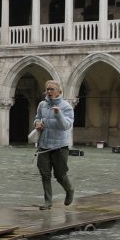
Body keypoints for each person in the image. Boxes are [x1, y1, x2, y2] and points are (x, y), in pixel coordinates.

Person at [33, 80, 75, 208]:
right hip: (43, 146)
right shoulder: (42, 105)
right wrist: (37, 124)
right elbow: (37, 118)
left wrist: (58, 114)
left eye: (52, 89)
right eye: (47, 89)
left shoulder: (66, 106)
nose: (49, 92)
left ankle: (70, 190)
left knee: (60, 175)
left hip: (59, 147)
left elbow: (66, 126)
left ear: (59, 91)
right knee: (45, 174)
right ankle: (48, 202)